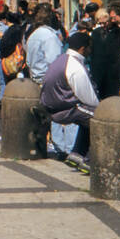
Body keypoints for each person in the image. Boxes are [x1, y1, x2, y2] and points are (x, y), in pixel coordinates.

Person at [40, 31, 99, 164]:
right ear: (83, 49)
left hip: (53, 106)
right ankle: (91, 160)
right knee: (100, 117)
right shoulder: (75, 66)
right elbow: (89, 99)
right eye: (90, 47)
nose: (91, 51)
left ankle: (77, 153)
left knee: (87, 118)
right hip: (66, 108)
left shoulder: (61, 59)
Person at [88, 5, 120, 99]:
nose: (103, 25)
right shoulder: (96, 33)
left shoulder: (118, 32)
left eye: (105, 23)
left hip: (113, 72)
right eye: (100, 23)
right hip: (98, 71)